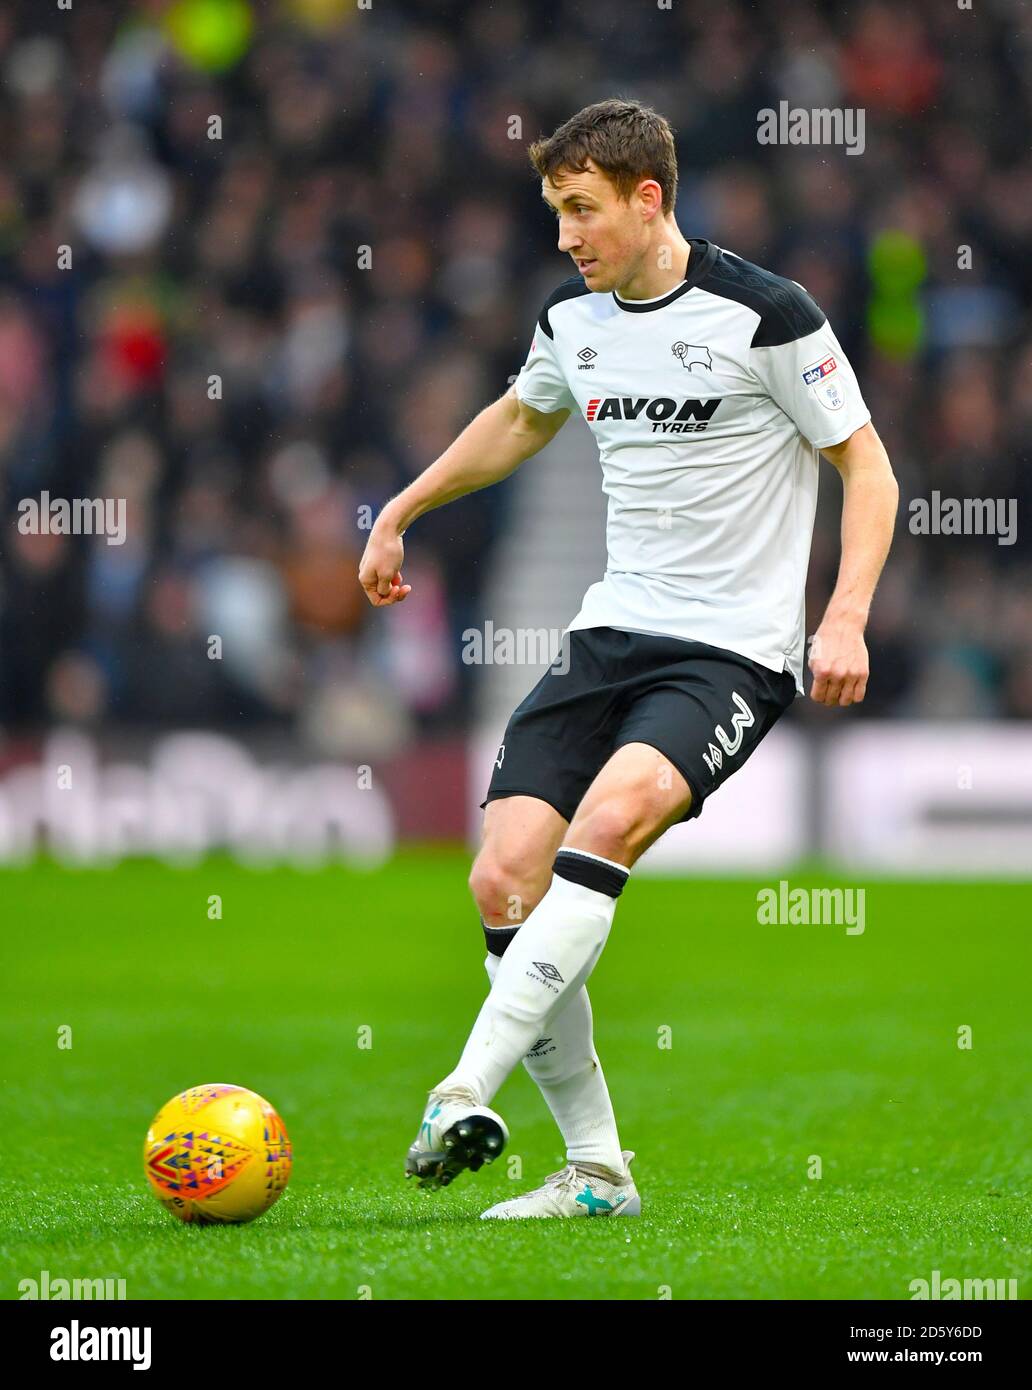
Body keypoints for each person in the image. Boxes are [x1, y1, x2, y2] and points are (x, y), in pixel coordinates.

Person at [358, 98, 898, 1219]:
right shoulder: (574, 322)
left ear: (649, 199)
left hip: (733, 653)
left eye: (582, 210)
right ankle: (598, 1171)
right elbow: (519, 418)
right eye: (557, 211)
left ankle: (462, 1085)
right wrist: (400, 508)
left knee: (604, 828)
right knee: (501, 874)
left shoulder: (768, 314)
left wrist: (841, 616)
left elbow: (868, 467)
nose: (566, 235)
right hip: (611, 635)